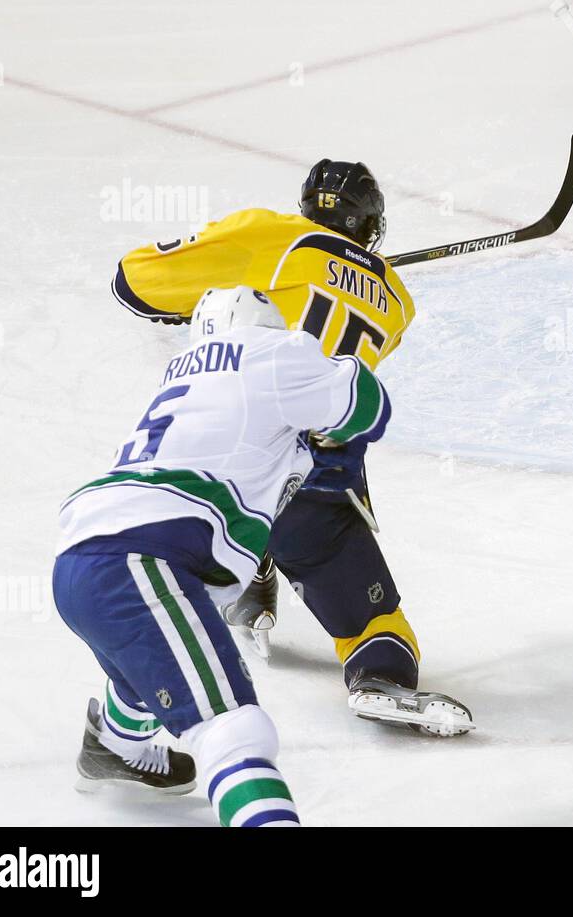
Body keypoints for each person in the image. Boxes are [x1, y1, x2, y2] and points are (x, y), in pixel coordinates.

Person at [112, 160, 471, 732]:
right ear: (371, 226)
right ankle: (380, 673)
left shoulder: (273, 236)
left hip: (225, 464)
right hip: (321, 477)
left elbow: (131, 282)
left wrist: (215, 288)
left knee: (179, 583)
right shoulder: (395, 299)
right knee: (377, 622)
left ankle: (243, 576)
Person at [54, 286, 402, 825]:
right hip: (142, 556)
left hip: (88, 554)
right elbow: (368, 403)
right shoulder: (269, 350)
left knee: (160, 651)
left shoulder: (183, 374)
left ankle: (116, 745)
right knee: (234, 730)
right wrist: (334, 430)